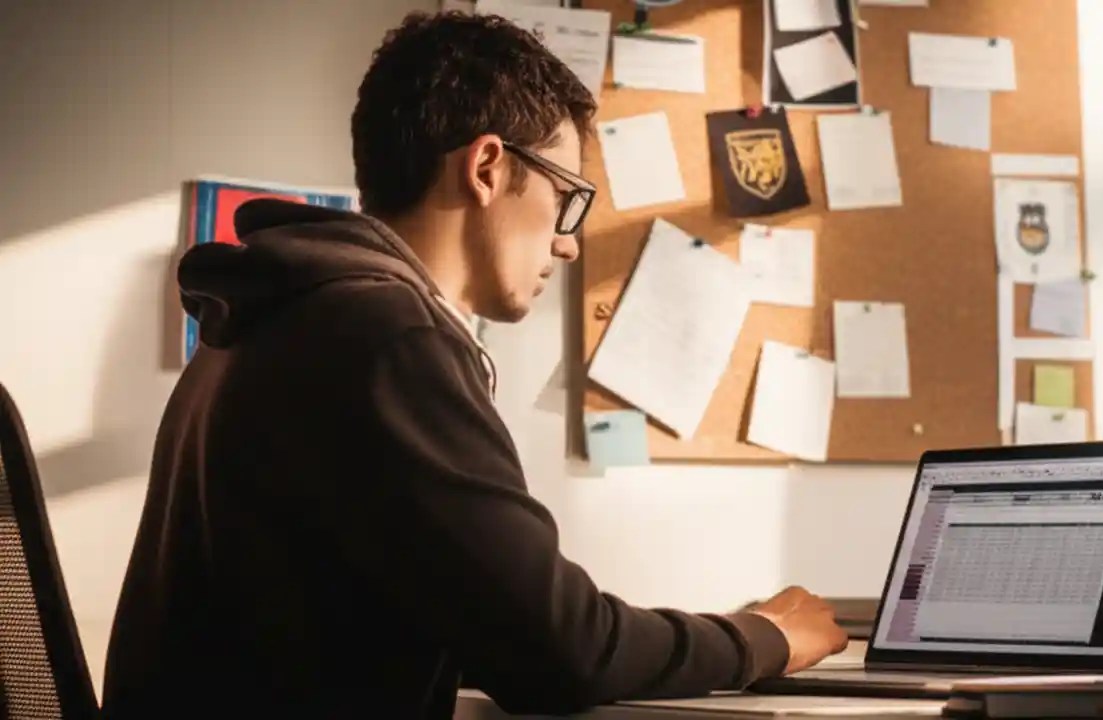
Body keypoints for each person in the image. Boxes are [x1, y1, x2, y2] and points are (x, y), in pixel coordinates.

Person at [101, 11, 847, 719]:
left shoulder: (273, 319)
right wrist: (766, 637)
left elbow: (496, 622)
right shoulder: (387, 337)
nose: (568, 243)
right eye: (568, 198)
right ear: (488, 167)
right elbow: (563, 652)